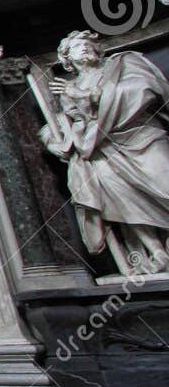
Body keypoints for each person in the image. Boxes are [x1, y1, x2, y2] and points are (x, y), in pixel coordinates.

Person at [40, 30, 169, 274]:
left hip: (141, 137)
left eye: (88, 44)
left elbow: (144, 89)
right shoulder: (69, 87)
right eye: (78, 47)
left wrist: (87, 94)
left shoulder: (122, 63)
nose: (85, 48)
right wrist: (51, 138)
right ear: (67, 59)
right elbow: (70, 121)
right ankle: (157, 252)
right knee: (121, 197)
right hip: (101, 150)